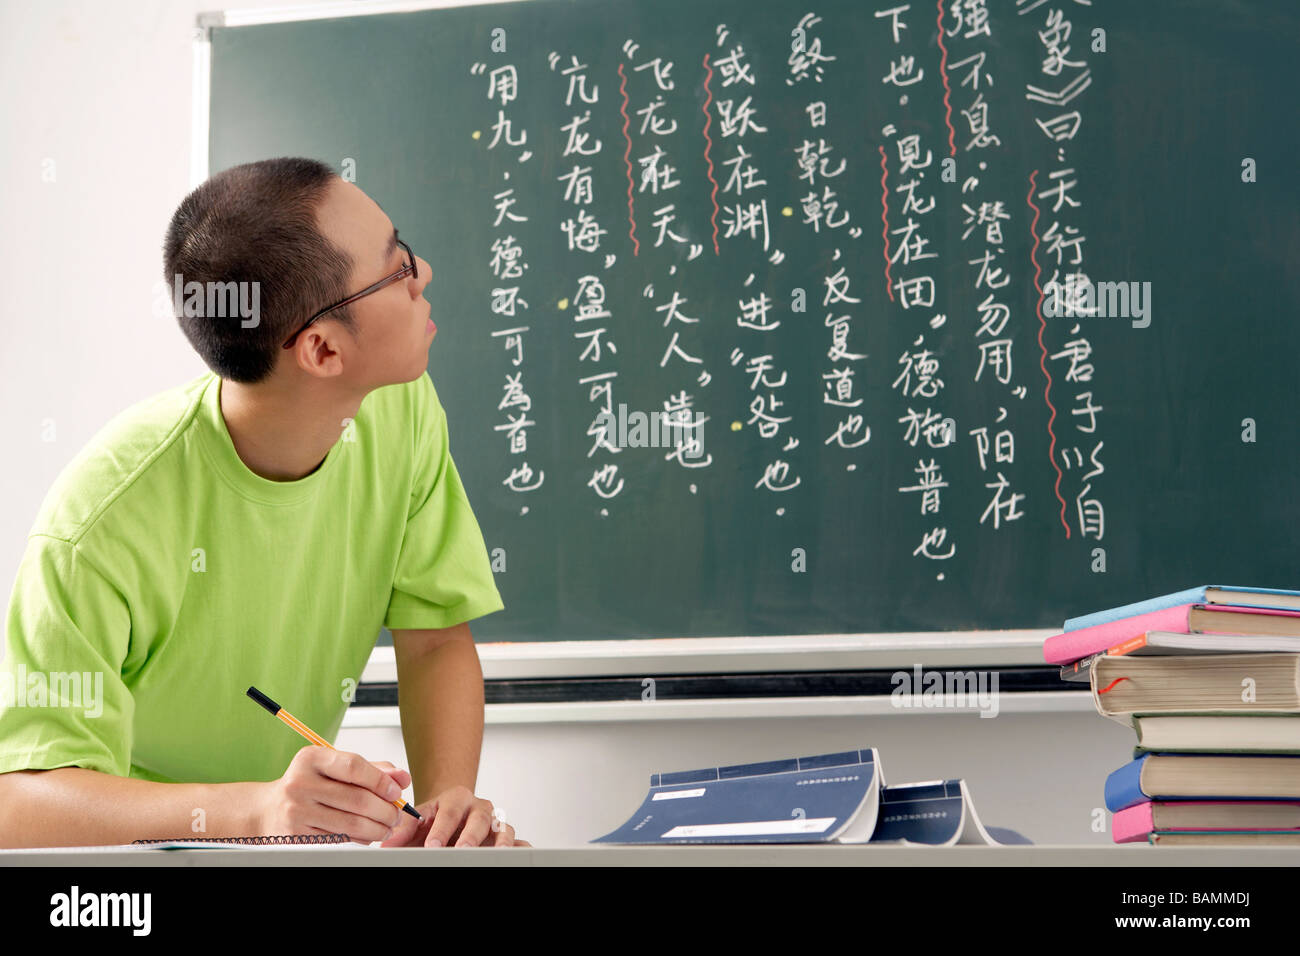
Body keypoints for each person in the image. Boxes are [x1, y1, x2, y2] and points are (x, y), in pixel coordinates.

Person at [0, 157, 527, 848]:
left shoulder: (399, 409)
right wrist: (252, 812)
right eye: (397, 268)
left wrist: (445, 814)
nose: (424, 272)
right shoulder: (101, 521)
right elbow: (19, 803)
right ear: (322, 349)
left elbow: (433, 642)